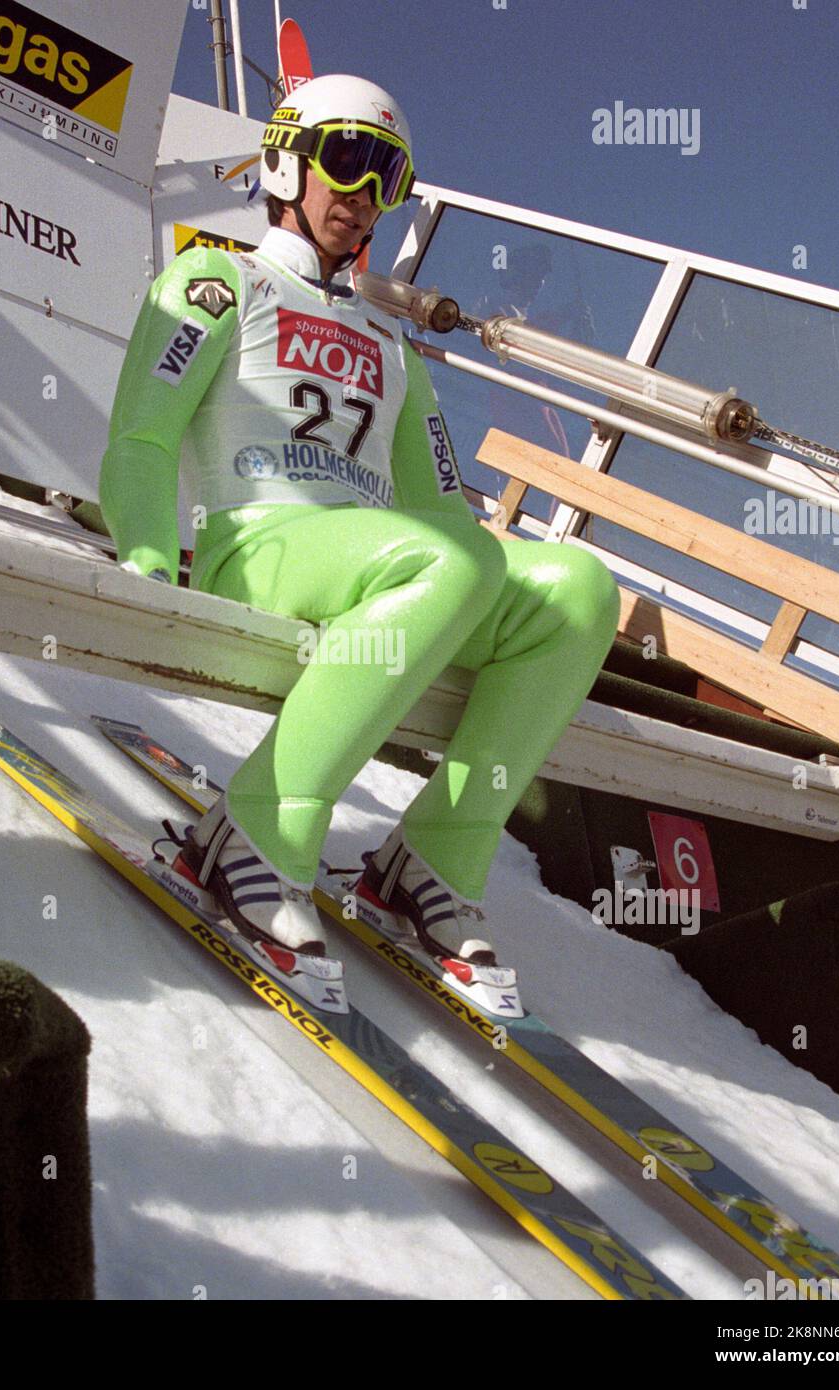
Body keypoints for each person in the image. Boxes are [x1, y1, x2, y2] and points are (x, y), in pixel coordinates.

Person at [99, 74, 620, 977]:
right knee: (446, 562)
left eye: (388, 175)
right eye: (346, 161)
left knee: (578, 590)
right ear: (284, 161)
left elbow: (444, 512)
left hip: (380, 564)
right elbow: (143, 433)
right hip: (258, 543)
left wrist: (494, 587)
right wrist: (146, 559)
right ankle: (257, 832)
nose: (364, 193)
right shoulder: (218, 280)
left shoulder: (390, 346)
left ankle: (434, 857)